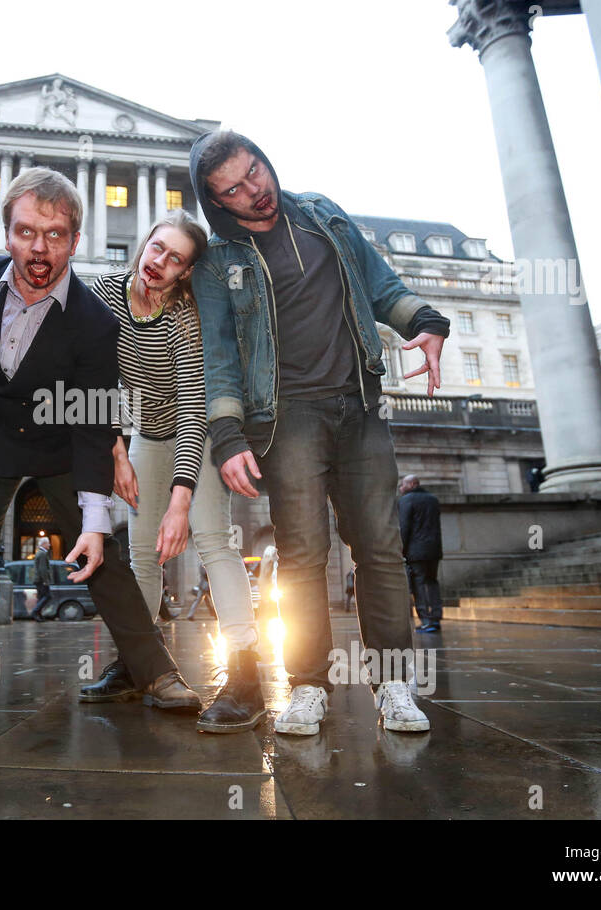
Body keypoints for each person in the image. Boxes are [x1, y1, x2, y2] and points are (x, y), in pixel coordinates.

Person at [0, 167, 200, 735]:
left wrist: (95, 520)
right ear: (6, 236)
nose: (39, 247)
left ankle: (154, 670)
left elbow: (97, 414)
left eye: (55, 235)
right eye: (26, 232)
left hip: (60, 441)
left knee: (103, 558)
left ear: (75, 241)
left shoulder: (95, 321)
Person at [190, 130, 451, 735]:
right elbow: (219, 355)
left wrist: (428, 320)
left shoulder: (324, 215)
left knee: (382, 551)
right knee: (304, 556)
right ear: (218, 203)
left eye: (255, 172)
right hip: (287, 418)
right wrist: (228, 436)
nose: (254, 191)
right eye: (233, 189)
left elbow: (380, 285)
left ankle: (393, 685)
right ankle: (307, 687)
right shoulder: (218, 262)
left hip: (360, 404)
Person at [88, 210, 264, 733]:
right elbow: (92, 373)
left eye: (176, 259)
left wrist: (180, 500)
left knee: (215, 542)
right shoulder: (105, 294)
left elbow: (193, 407)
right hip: (143, 431)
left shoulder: (186, 317)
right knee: (141, 553)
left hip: (198, 429)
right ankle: (138, 663)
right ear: (145, 244)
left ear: (186, 272)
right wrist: (115, 447)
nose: (159, 263)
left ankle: (246, 673)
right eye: (157, 248)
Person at [398, 474, 444, 633]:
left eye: (403, 484)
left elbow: (404, 527)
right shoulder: (433, 499)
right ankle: (436, 618)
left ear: (412, 484)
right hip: (434, 549)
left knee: (419, 584)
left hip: (415, 551)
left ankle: (425, 620)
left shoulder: (406, 500)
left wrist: (401, 549)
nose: (400, 488)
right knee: (432, 581)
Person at [32, 537, 53, 621]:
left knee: (41, 597)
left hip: (38, 580)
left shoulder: (40, 553)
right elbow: (43, 569)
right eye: (48, 543)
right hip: (41, 580)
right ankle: (35, 611)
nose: (49, 545)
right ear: (44, 544)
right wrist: (46, 581)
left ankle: (38, 615)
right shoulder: (42, 554)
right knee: (47, 596)